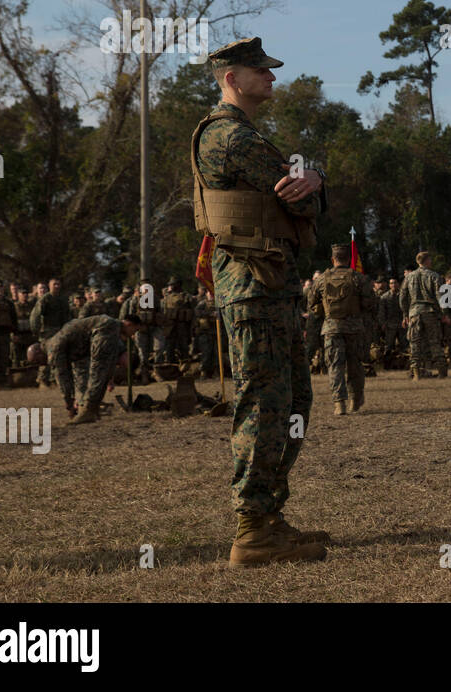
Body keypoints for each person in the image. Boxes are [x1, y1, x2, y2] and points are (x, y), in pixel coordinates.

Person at [193, 36, 329, 568]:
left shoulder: (242, 133)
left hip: (266, 286)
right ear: (232, 78)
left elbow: (303, 188)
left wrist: (313, 177)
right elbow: (297, 192)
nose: (271, 77)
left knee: (292, 403)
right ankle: (251, 529)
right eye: (261, 71)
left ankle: (268, 515)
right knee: (266, 405)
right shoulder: (230, 137)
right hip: (253, 286)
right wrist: (314, 178)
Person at [30, 314, 142, 422]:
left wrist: (69, 405)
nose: (133, 335)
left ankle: (89, 410)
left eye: (39, 361)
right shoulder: (61, 347)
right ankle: (89, 409)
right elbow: (79, 376)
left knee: (98, 370)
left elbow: (62, 378)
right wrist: (77, 402)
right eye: (135, 331)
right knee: (97, 372)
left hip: (100, 329)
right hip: (96, 335)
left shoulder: (53, 348)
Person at [310, 244, 380, 412]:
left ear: (332, 259)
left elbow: (312, 305)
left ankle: (339, 403)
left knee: (335, 365)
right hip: (354, 327)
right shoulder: (358, 278)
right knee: (354, 364)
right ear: (349, 260)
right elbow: (370, 303)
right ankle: (355, 400)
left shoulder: (321, 279)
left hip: (331, 327)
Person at [400, 251, 448, 379]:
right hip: (430, 312)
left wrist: (405, 314)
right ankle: (441, 371)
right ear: (427, 261)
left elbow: (403, 297)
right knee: (434, 342)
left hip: (414, 313)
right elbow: (441, 296)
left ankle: (416, 372)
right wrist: (444, 313)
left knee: (414, 343)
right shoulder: (434, 276)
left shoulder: (409, 277)